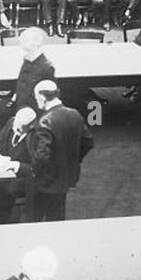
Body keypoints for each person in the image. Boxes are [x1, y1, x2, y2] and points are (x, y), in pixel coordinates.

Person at [28, 80, 94, 221]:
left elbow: (42, 156)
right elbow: (88, 142)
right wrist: (74, 159)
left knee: (35, 218)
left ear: (42, 97)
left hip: (45, 181)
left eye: (36, 98)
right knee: (57, 217)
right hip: (66, 178)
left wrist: (34, 171)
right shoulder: (75, 114)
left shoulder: (44, 121)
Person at [0, 105, 37, 222]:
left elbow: (36, 167)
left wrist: (16, 165)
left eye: (19, 129)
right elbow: (0, 138)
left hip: (22, 178)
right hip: (3, 171)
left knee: (6, 191)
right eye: (14, 127)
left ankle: (3, 222)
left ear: (31, 126)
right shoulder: (13, 122)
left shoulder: (37, 136)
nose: (15, 131)